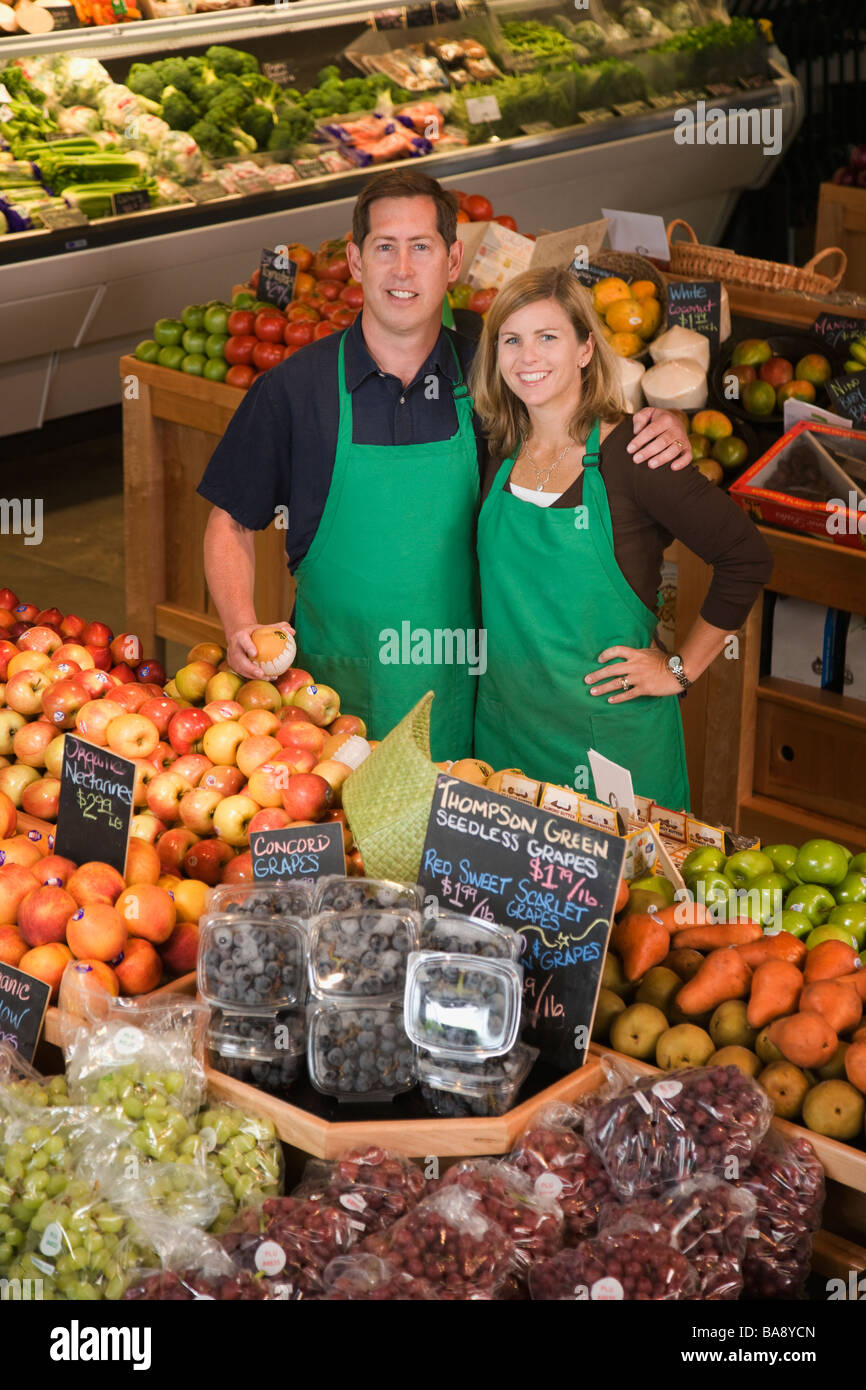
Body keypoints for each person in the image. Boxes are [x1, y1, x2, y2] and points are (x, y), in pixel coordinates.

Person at [197, 170, 691, 761]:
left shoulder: (495, 371)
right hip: (332, 705)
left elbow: (581, 416)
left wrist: (658, 422)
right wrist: (240, 625)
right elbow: (230, 522)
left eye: (422, 248)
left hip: (471, 698)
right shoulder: (293, 391)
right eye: (384, 247)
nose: (402, 270)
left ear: (453, 260)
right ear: (355, 260)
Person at [470, 266, 774, 808]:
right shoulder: (496, 447)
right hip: (506, 739)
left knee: (627, 895)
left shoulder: (638, 452)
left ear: (586, 349)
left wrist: (680, 670)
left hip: (610, 746)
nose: (528, 357)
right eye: (511, 340)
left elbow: (745, 556)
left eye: (548, 337)